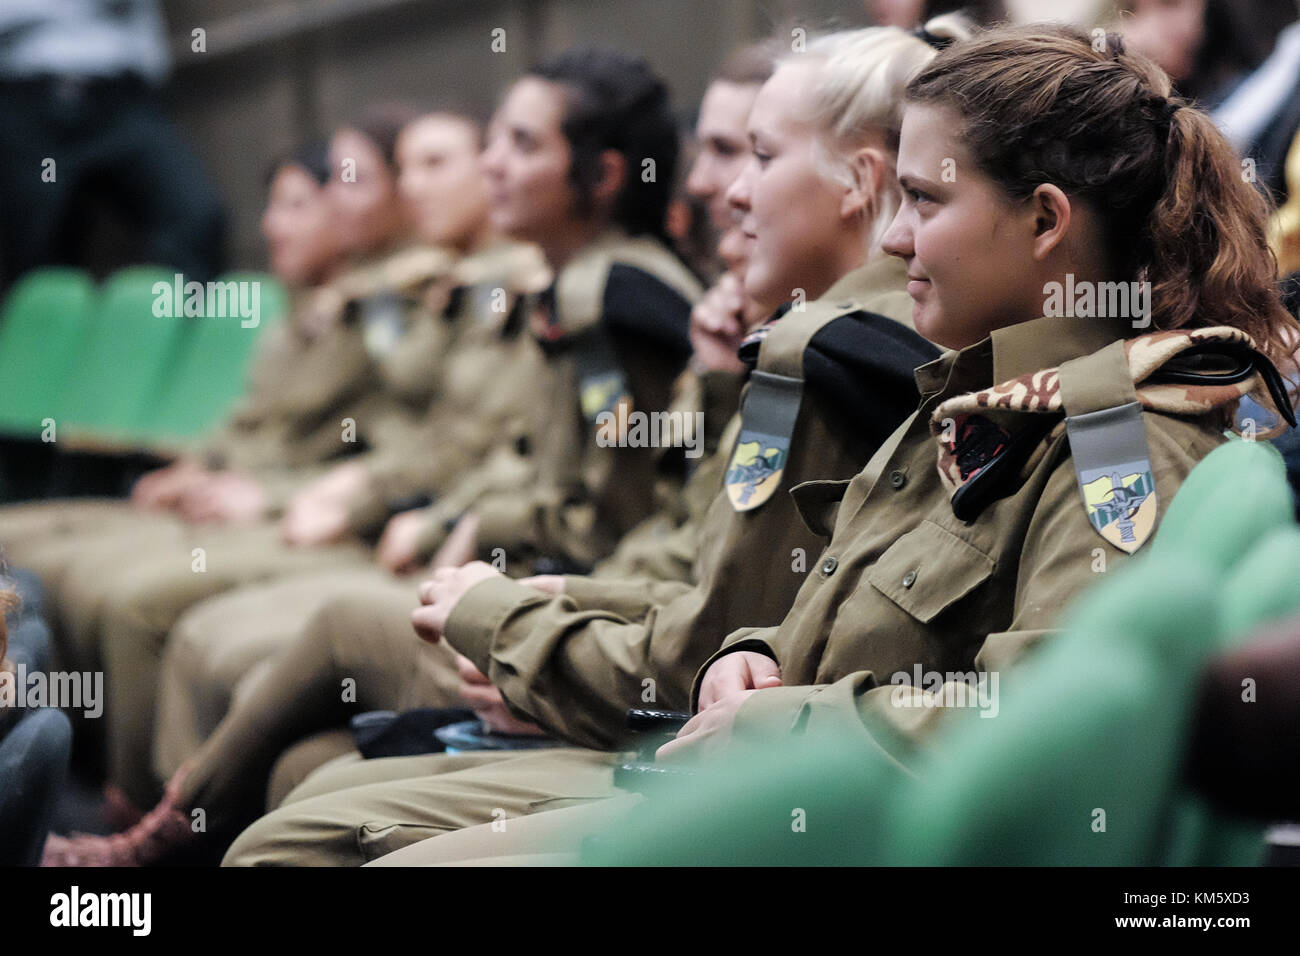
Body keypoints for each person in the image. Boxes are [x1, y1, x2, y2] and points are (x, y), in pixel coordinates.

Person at [368, 22, 1300, 865]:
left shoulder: (1116, 442)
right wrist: (755, 652)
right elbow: (838, 614)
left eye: (927, 201)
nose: (893, 239)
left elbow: (1039, 724)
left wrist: (772, 719)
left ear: (1046, 221)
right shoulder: (977, 389)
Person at [220, 22, 952, 867]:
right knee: (310, 771)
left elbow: (644, 543)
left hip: (724, 747)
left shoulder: (691, 315)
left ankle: (148, 837)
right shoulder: (785, 335)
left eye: (748, 153)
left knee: (296, 776)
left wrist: (513, 621)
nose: (716, 186)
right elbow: (685, 551)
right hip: (666, 678)